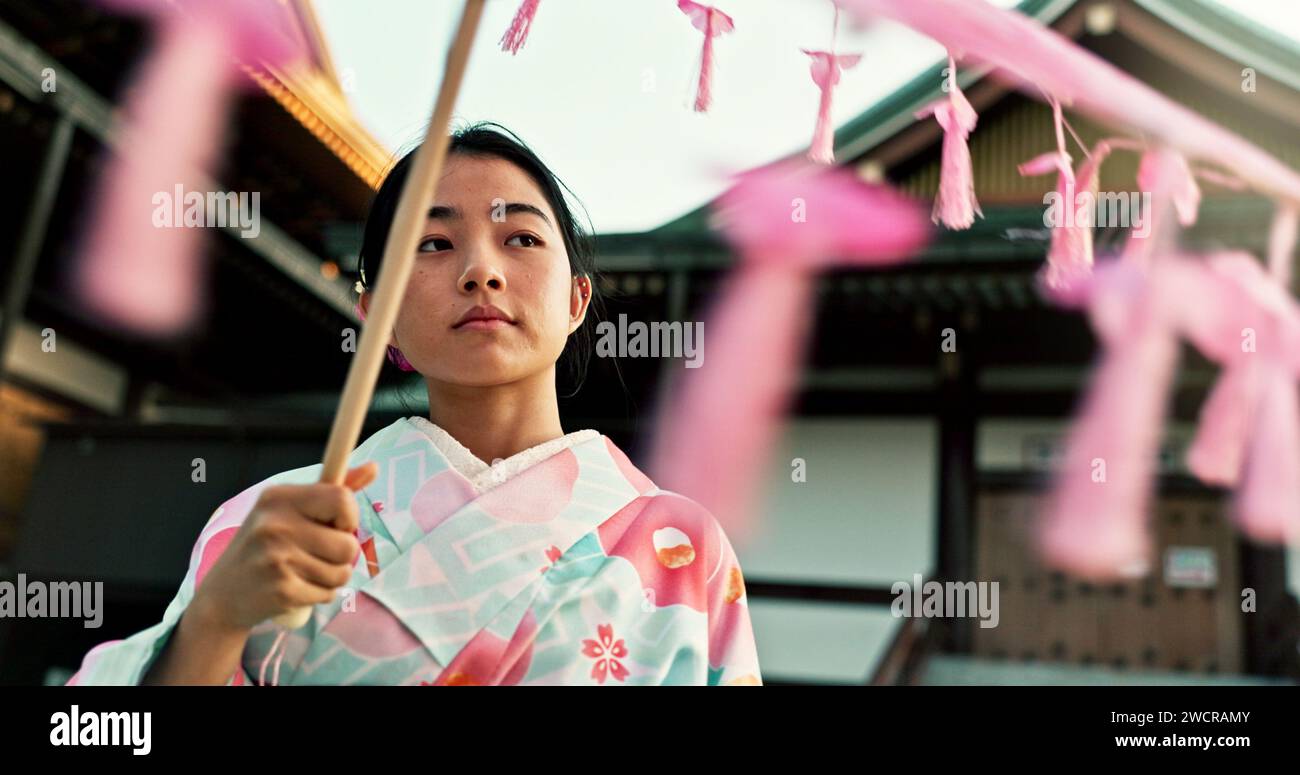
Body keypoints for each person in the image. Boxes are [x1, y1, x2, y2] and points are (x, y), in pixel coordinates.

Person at [66, 123, 762, 686]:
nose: (480, 271)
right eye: (432, 243)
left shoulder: (681, 547)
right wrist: (215, 620)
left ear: (577, 299)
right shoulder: (273, 523)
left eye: (520, 236)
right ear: (378, 318)